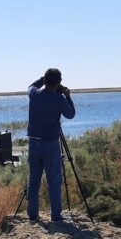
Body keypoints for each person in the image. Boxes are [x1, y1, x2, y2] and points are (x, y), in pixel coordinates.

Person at [26, 68, 75, 222]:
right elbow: (71, 114)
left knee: (34, 180)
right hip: (51, 144)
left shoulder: (34, 95)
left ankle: (33, 215)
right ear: (59, 82)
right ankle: (56, 215)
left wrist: (42, 78)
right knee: (54, 180)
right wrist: (68, 97)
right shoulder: (59, 99)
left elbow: (31, 86)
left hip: (34, 143)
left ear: (45, 81)